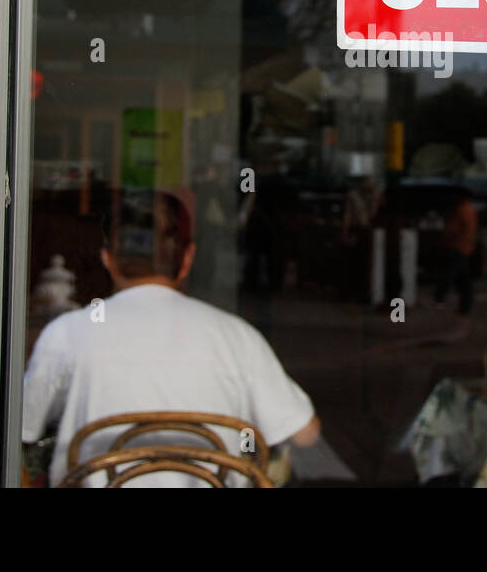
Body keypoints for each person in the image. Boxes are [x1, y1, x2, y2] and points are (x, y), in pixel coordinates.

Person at [22, 188, 321, 487]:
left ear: (107, 260)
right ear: (187, 259)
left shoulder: (67, 332)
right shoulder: (237, 336)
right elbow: (305, 433)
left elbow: (22, 426)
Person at [433, 189, 477, 322]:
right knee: (462, 278)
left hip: (457, 247)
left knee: (449, 274)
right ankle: (465, 305)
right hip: (465, 247)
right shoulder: (471, 210)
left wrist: (443, 242)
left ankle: (439, 298)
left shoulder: (460, 210)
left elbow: (452, 230)